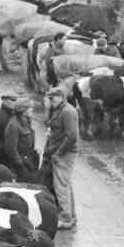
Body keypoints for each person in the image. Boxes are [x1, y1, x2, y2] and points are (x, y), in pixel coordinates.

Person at [43, 87, 79, 230]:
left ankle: (65, 218)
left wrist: (58, 153)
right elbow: (49, 125)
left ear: (61, 97)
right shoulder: (60, 109)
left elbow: (71, 136)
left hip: (64, 154)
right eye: (49, 98)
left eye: (53, 98)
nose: (51, 101)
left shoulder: (67, 112)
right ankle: (72, 215)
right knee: (66, 184)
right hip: (62, 152)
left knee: (61, 187)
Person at [0, 92, 21, 168]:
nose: (15, 102)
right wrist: (6, 149)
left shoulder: (17, 115)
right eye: (12, 100)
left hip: (18, 157)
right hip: (3, 159)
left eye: (16, 100)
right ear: (4, 101)